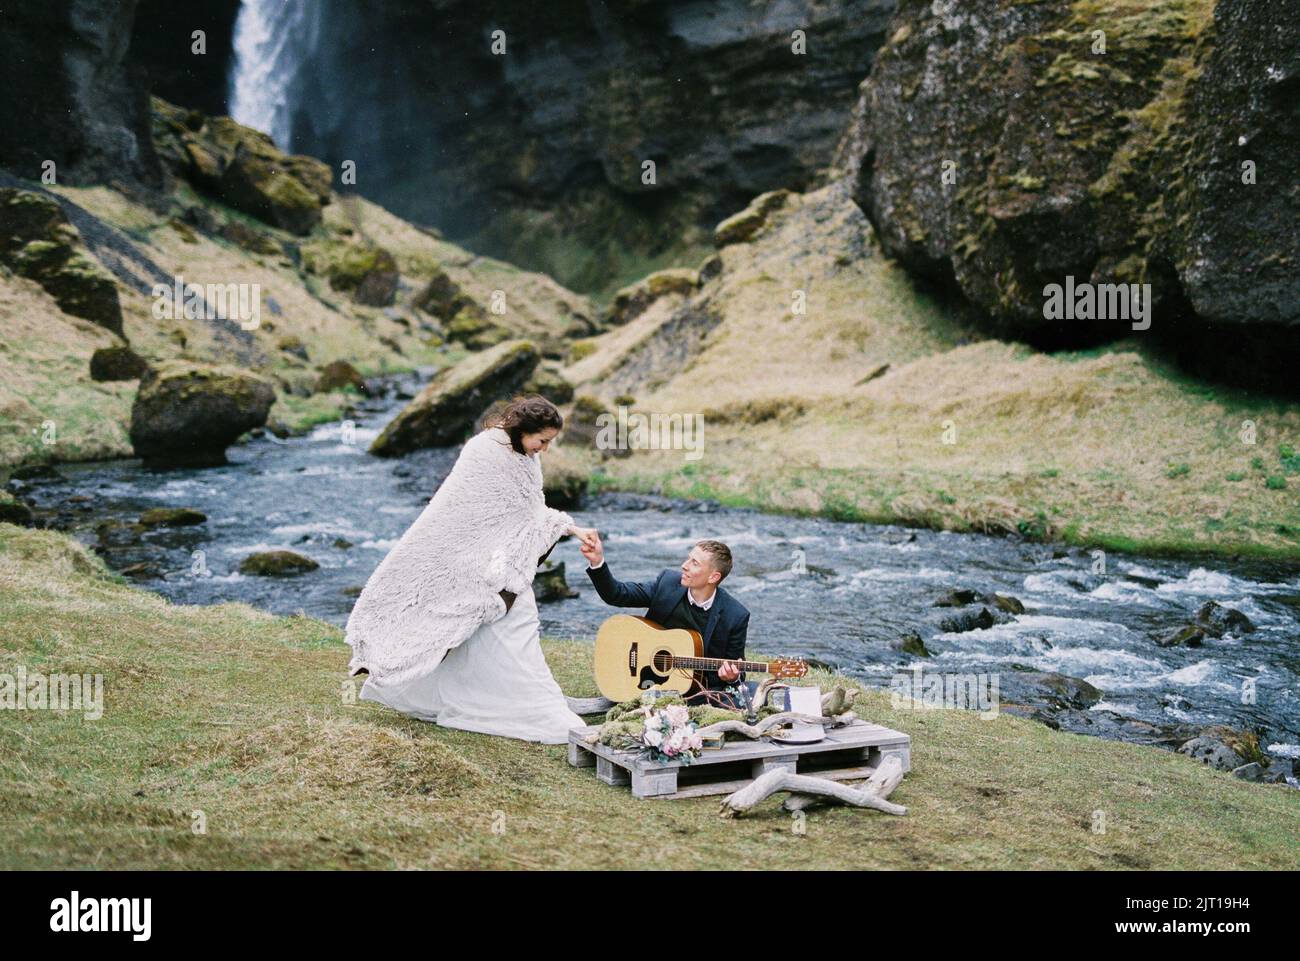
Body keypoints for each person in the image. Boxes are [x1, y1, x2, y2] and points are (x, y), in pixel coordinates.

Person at [344, 394, 600, 744]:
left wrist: (570, 528)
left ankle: (529, 704)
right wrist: (563, 527)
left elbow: (530, 510)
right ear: (524, 429)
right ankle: (537, 713)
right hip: (471, 560)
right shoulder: (483, 451)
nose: (544, 449)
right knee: (491, 631)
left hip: (505, 561)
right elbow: (460, 511)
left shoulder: (526, 458)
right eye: (542, 440)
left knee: (515, 629)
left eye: (549, 443)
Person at [580, 535, 751, 708]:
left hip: (698, 691)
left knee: (739, 700)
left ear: (713, 577)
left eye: (695, 563)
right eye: (688, 558)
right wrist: (597, 562)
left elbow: (737, 669)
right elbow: (617, 594)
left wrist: (732, 676)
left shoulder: (735, 615)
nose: (684, 565)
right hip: (647, 679)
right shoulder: (668, 583)